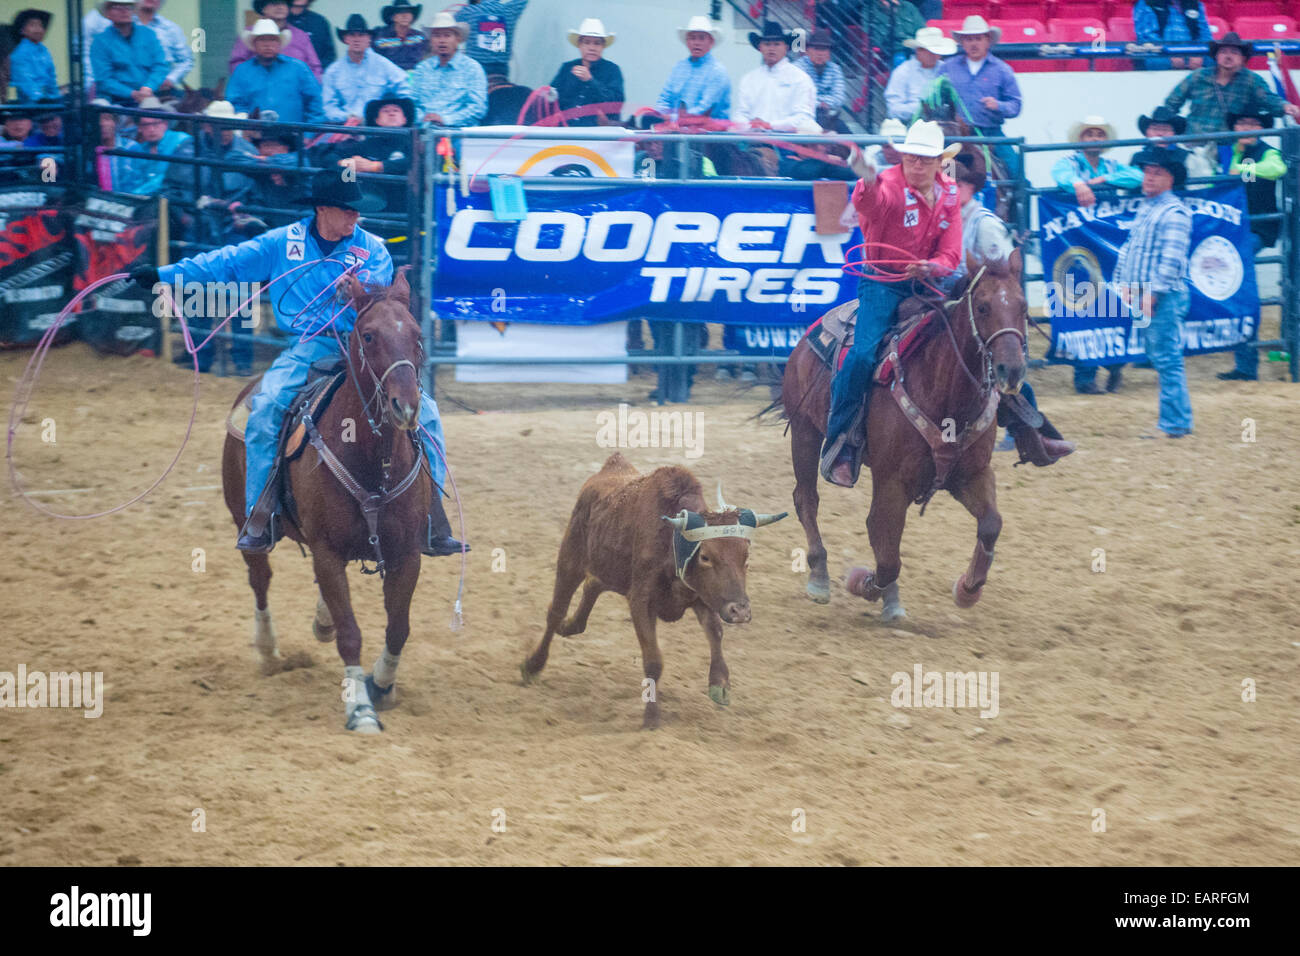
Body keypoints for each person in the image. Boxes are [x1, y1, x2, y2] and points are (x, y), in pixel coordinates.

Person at [131, 170, 464, 556]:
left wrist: (361, 291)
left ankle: (432, 517)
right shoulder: (280, 244)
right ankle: (261, 514)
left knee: (430, 414)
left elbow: (384, 294)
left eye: (358, 211)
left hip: (368, 350)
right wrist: (163, 275)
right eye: (348, 210)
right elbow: (227, 263)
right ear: (322, 209)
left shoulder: (372, 249)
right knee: (266, 410)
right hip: (308, 347)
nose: (355, 217)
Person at [821, 120, 962, 487]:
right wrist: (866, 178)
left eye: (925, 159)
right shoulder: (888, 184)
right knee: (864, 354)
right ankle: (840, 441)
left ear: (938, 162)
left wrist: (932, 266)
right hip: (882, 283)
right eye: (911, 157)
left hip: (926, 282)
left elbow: (952, 251)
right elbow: (872, 201)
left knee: (977, 331)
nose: (916, 165)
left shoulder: (949, 194)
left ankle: (1026, 420)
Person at [1052, 115, 1141, 395]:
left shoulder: (1111, 166)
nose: (1094, 139)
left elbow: (1136, 176)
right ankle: (1086, 375)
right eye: (1089, 134)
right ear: (1081, 140)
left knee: (1116, 299)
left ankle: (1114, 365)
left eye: (1099, 135)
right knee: (1085, 302)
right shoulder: (1069, 164)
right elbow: (1060, 175)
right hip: (1078, 242)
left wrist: (1101, 179)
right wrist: (1079, 185)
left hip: (1105, 242)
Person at [1116, 148, 1194, 437]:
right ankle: (1175, 420)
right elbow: (1130, 248)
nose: (1148, 177)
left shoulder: (1173, 212)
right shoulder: (1150, 207)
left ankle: (1175, 422)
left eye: (1156, 173)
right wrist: (1124, 283)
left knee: (1166, 357)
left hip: (1161, 296)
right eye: (1147, 171)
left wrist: (1152, 294)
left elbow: (1172, 260)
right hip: (1147, 293)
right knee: (1162, 356)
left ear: (1170, 178)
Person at [1218, 108, 1286, 382]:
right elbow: (1225, 175)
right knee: (1239, 290)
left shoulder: (1267, 150)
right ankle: (1244, 362)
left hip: (1256, 227)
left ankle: (1246, 364)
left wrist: (1242, 167)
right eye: (1242, 122)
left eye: (1252, 122)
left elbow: (1277, 168)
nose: (1247, 126)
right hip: (1235, 227)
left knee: (1241, 287)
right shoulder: (1232, 150)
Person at [936, 15, 1022, 182]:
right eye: (968, 39)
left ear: (987, 40)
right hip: (955, 136)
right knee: (936, 168)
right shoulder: (947, 67)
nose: (973, 43)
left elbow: (1016, 105)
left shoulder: (1002, 70)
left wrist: (999, 105)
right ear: (962, 41)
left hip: (990, 133)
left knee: (1017, 170)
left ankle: (1020, 201)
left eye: (978, 38)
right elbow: (937, 99)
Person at [1163, 32, 1300, 135]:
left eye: (1234, 52)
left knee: (1249, 172)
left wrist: (1285, 106)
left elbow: (1268, 99)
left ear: (1242, 58)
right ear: (1216, 56)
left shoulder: (1251, 80)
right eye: (1223, 52)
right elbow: (1172, 103)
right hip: (1196, 147)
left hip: (1236, 148)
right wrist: (1168, 128)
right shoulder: (1198, 76)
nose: (1228, 56)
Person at [226, 19, 324, 124]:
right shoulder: (242, 71)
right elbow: (235, 104)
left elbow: (315, 103)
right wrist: (245, 129)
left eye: (273, 39)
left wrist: (308, 136)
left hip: (293, 135)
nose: (268, 45)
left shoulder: (299, 68)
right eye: (262, 40)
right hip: (253, 135)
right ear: (254, 45)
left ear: (279, 44)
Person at [321, 15, 410, 125]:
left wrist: (399, 114)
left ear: (369, 39)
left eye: (361, 35)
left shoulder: (382, 64)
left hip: (377, 127)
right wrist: (347, 117)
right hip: (344, 126)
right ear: (345, 39)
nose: (356, 39)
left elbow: (404, 87)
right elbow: (328, 107)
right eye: (352, 35)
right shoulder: (333, 71)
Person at [408, 13, 487, 127]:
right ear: (431, 41)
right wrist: (423, 118)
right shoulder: (422, 69)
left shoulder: (472, 68)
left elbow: (478, 108)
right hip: (425, 130)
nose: (442, 40)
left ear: (457, 39)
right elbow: (411, 103)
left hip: (459, 132)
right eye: (437, 36)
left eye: (447, 35)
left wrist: (445, 119)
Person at [90, 0, 169, 107]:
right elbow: (104, 80)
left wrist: (148, 87)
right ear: (107, 13)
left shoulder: (149, 35)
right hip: (114, 100)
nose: (124, 11)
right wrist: (132, 94)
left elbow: (160, 66)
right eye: (117, 7)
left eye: (128, 7)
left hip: (148, 96)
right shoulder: (100, 42)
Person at [654, 15, 730, 120]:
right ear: (687, 42)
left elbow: (704, 109)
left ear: (711, 42)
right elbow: (665, 98)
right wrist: (661, 114)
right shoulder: (679, 68)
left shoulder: (717, 71)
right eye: (692, 38)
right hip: (676, 129)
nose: (696, 42)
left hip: (710, 134)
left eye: (701, 38)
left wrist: (671, 118)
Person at [550, 17, 623, 127]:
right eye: (587, 42)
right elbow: (552, 98)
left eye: (597, 43)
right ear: (579, 45)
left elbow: (616, 105)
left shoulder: (612, 70)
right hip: (565, 130)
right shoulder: (567, 68)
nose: (591, 48)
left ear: (603, 46)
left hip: (598, 134)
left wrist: (590, 80)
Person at [230, 0, 322, 81]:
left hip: (296, 94)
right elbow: (236, 65)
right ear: (263, 8)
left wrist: (308, 87)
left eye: (284, 3)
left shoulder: (301, 36)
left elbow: (315, 67)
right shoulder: (250, 34)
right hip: (257, 92)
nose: (280, 7)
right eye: (274, 3)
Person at [885, 26, 954, 123]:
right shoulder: (902, 72)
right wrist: (921, 108)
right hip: (911, 127)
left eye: (936, 51)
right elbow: (893, 109)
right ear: (918, 50)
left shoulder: (946, 70)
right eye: (930, 51)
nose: (934, 54)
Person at [455, 0, 528, 81]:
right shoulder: (510, 10)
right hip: (500, 71)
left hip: (475, 69)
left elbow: (453, 22)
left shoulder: (469, 11)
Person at [135, 0, 193, 96]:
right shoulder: (125, 25)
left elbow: (186, 60)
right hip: (129, 90)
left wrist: (171, 79)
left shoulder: (171, 28)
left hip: (163, 91)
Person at [1133, 1, 1209, 71]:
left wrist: (1199, 54)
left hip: (1192, 54)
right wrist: (1169, 55)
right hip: (1161, 53)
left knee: (1214, 59)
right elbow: (1147, 38)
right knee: (1156, 61)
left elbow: (1205, 35)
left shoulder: (1196, 5)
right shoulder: (1147, 3)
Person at [797, 28, 848, 133]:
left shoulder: (835, 69)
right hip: (802, 117)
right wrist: (820, 104)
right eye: (816, 48)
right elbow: (799, 97)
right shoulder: (798, 68)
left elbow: (839, 97)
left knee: (844, 132)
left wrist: (820, 103)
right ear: (807, 50)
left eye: (824, 49)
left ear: (829, 52)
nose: (820, 53)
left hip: (828, 116)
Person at [9, 9, 60, 103]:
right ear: (22, 30)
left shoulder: (44, 51)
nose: (38, 29)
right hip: (31, 104)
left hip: (47, 101)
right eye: (33, 25)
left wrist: (55, 97)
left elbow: (51, 78)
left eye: (40, 25)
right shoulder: (19, 53)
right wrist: (42, 99)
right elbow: (25, 82)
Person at [373, 1, 428, 72]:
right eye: (400, 12)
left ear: (412, 16)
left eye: (408, 12)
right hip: (390, 77)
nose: (404, 15)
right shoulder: (381, 38)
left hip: (415, 76)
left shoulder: (419, 37)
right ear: (393, 17)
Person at [288, 0, 335, 71]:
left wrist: (317, 71)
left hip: (315, 75)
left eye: (300, 6)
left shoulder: (319, 22)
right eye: (294, 5)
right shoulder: (281, 21)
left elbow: (329, 54)